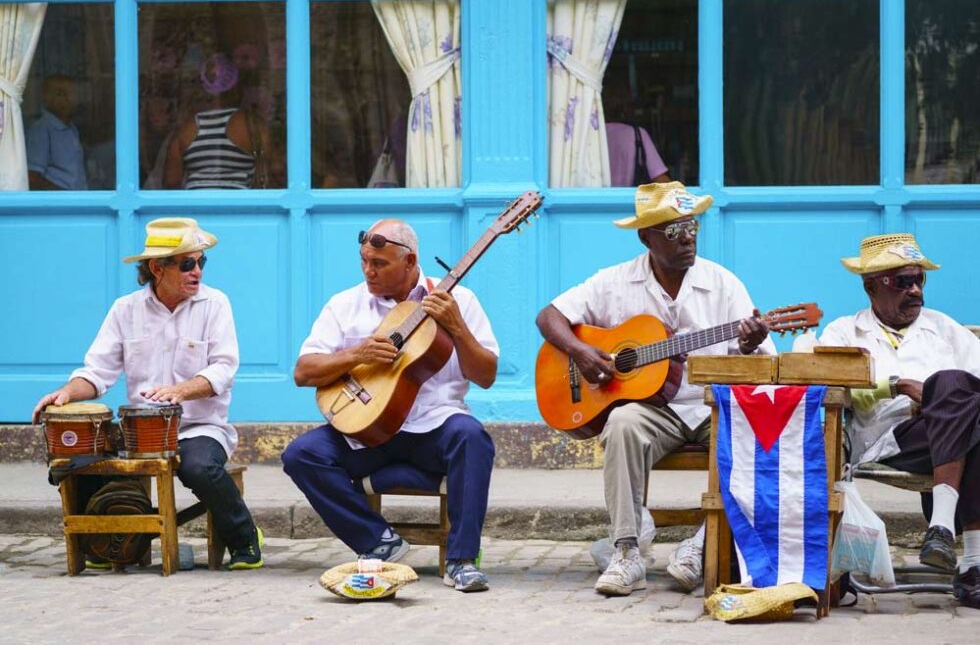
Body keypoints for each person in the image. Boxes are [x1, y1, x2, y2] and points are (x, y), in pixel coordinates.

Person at [535, 181, 775, 597]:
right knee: (622, 423)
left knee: (754, 429)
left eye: (692, 225)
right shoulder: (613, 282)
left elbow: (764, 365)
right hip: (653, 410)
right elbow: (548, 316)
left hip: (708, 405)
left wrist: (751, 343)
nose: (688, 237)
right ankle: (626, 551)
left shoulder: (723, 284)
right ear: (645, 236)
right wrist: (582, 353)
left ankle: (702, 545)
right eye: (673, 230)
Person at [31, 217, 263, 570]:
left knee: (200, 467)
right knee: (78, 462)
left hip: (199, 427)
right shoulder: (126, 309)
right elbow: (96, 372)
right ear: (157, 268)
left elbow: (223, 368)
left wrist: (180, 391)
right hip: (139, 433)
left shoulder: (215, 304)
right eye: (187, 263)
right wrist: (65, 393)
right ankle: (104, 542)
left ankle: (245, 537)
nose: (197, 271)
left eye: (202, 261)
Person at [282, 218, 498, 593]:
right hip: (368, 431)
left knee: (473, 438)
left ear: (411, 261)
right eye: (364, 261)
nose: (369, 270)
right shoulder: (345, 304)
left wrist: (457, 327)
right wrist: (356, 354)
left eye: (379, 263)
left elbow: (486, 375)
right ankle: (377, 539)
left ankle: (461, 561)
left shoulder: (459, 301)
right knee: (301, 454)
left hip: (435, 427)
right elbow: (303, 371)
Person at [818, 233, 980, 609]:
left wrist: (940, 401)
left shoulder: (944, 328)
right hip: (888, 441)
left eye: (919, 280)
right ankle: (970, 559)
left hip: (945, 435)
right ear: (871, 286)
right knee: (952, 386)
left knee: (952, 387)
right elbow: (829, 384)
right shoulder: (845, 332)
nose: (915, 291)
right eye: (902, 282)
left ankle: (945, 533)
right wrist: (897, 386)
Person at [162, 53, 273, 189]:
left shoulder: (186, 129)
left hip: (195, 207)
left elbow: (171, 181)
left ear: (204, 87)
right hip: (240, 207)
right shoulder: (252, 125)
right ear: (237, 85)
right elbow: (274, 169)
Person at [27, 75, 88, 191]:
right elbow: (33, 177)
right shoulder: (41, 129)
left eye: (70, 92)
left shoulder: (72, 128)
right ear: (45, 98)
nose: (64, 98)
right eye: (58, 93)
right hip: (61, 204)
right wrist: (65, 197)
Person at [605, 122, 670, 187]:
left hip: (598, 195)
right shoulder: (637, 134)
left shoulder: (596, 134)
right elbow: (660, 178)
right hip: (631, 195)